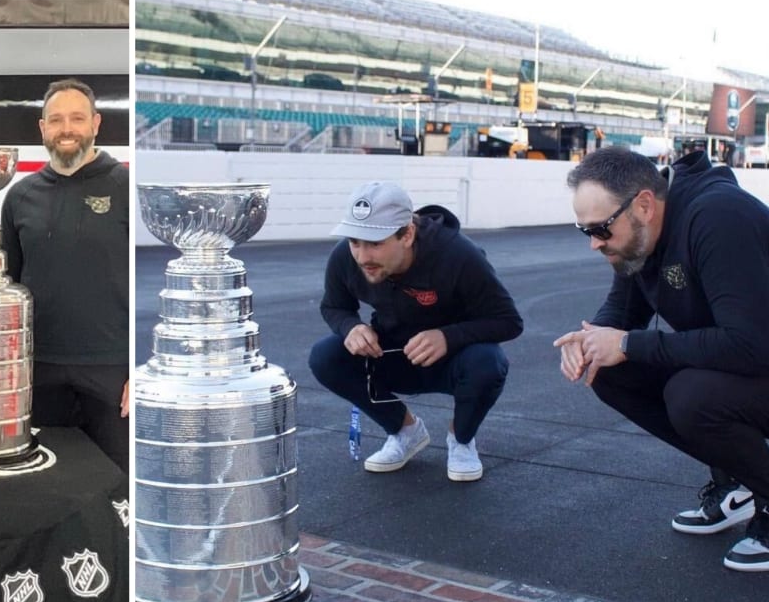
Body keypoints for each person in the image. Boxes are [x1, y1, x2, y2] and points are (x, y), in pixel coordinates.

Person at [555, 146, 769, 572]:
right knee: (609, 372)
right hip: (747, 365)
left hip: (757, 354)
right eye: (585, 232)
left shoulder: (718, 218)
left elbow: (751, 344)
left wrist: (629, 344)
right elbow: (621, 310)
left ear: (645, 205)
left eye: (600, 229)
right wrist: (592, 338)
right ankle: (740, 484)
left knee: (692, 395)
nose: (595, 244)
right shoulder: (640, 236)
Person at [308, 181, 522, 481]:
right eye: (356, 241)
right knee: (325, 356)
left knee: (489, 362)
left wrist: (448, 336)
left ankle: (460, 440)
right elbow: (334, 307)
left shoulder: (459, 255)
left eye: (375, 243)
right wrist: (350, 327)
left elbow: (509, 320)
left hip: (454, 361)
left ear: (407, 234)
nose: (362, 256)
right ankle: (405, 431)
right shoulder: (345, 256)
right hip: (392, 354)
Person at [0, 78, 129, 472]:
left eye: (76, 118)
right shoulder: (20, 196)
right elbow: (10, 288)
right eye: (56, 120)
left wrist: (141, 369)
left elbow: (148, 284)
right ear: (42, 129)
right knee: (47, 482)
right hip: (39, 370)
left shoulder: (125, 187)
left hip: (112, 371)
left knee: (115, 485)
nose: (66, 128)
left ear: (95, 124)